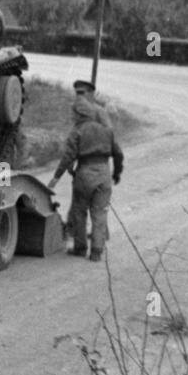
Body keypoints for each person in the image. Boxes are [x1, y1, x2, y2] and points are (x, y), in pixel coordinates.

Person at [47, 96, 123, 262]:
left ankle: (80, 248)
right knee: (100, 213)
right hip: (104, 173)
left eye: (73, 114)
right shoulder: (106, 130)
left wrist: (56, 177)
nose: (71, 117)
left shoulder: (77, 131)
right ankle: (96, 251)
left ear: (79, 114)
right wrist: (117, 173)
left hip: (85, 173)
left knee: (79, 211)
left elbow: (68, 157)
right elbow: (118, 153)